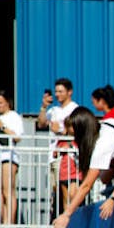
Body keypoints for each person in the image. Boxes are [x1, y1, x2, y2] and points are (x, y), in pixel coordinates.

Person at [39, 78, 81, 215]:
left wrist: (61, 131)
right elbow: (41, 124)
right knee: (55, 189)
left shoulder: (75, 109)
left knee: (66, 190)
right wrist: (44, 107)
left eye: (61, 91)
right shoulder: (53, 110)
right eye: (56, 91)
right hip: (53, 154)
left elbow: (78, 132)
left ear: (69, 92)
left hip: (67, 155)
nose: (57, 94)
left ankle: (68, 218)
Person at [0, 90, 24, 228]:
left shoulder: (14, 116)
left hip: (8, 156)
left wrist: (1, 126)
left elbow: (17, 137)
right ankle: (3, 223)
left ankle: (10, 223)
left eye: (1, 102)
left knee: (8, 190)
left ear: (8, 102)